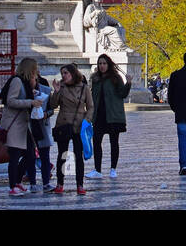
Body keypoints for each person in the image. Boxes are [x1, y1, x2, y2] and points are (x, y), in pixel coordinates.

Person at [0, 57, 44, 196]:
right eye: (34, 69)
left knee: (30, 155)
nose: (36, 72)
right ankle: (13, 186)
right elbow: (10, 101)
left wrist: (33, 93)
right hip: (14, 125)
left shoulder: (25, 83)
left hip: (24, 126)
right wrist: (30, 102)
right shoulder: (17, 81)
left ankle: (18, 181)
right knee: (14, 156)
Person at [47, 63, 93, 195]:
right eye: (62, 73)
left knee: (78, 156)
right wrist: (55, 92)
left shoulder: (84, 88)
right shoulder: (60, 87)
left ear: (73, 73)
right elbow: (53, 105)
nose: (63, 76)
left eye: (66, 73)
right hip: (63, 124)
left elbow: (90, 107)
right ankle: (60, 183)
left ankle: (80, 185)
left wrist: (87, 120)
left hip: (79, 125)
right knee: (62, 155)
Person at [87, 54, 132, 179]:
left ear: (108, 64)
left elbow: (122, 94)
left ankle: (113, 169)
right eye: (100, 63)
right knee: (96, 142)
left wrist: (128, 83)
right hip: (99, 115)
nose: (102, 66)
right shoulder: (95, 79)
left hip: (113, 115)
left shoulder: (115, 78)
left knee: (114, 142)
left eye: (104, 63)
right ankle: (97, 169)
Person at [27, 74, 56, 192]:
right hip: (28, 126)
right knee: (30, 156)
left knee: (44, 155)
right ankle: (32, 182)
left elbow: (51, 109)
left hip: (42, 125)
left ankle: (46, 182)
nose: (31, 80)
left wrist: (45, 114)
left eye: (32, 77)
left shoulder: (45, 90)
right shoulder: (23, 91)